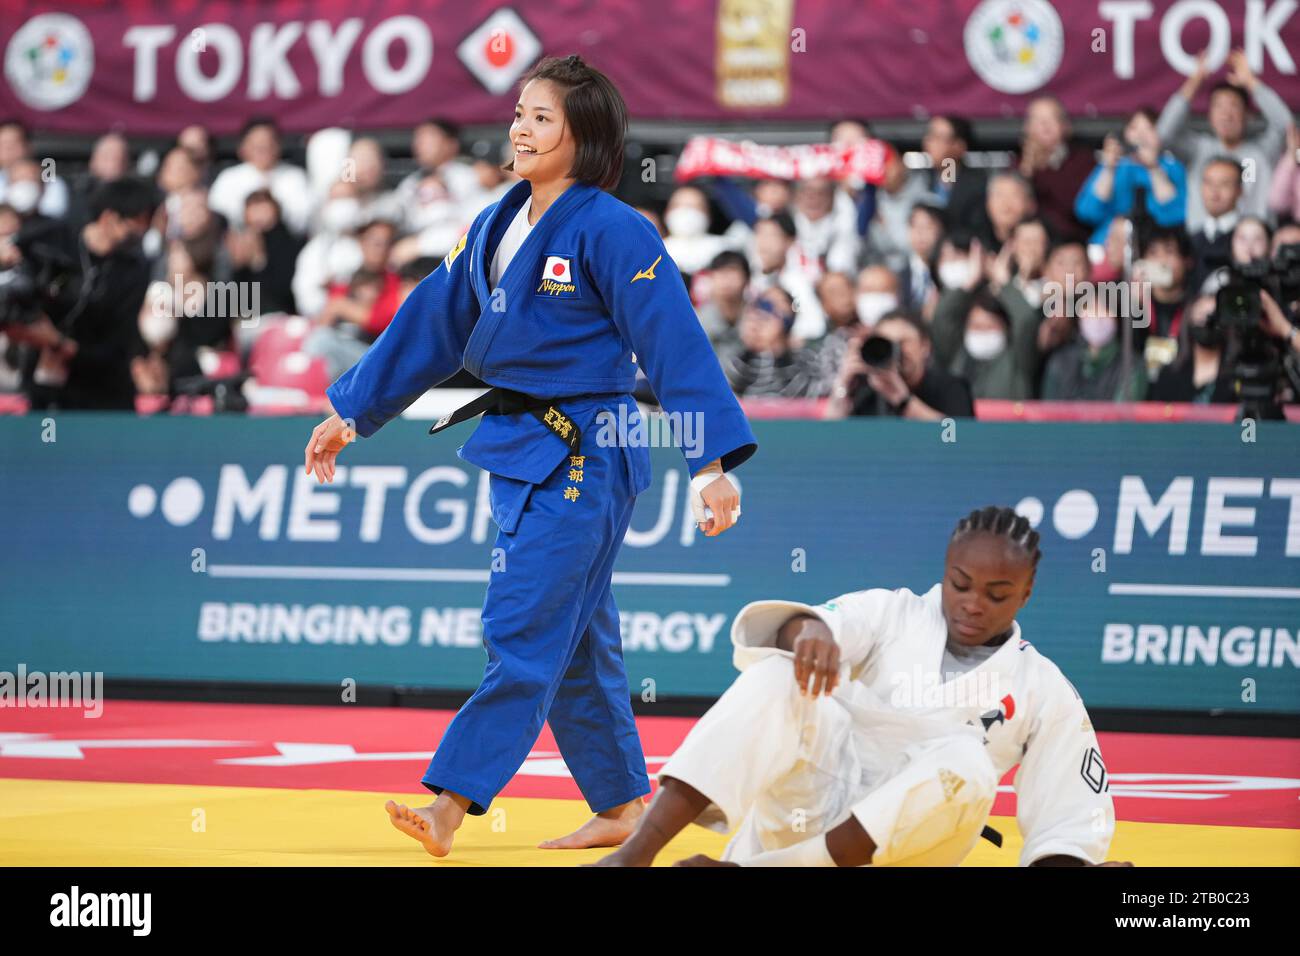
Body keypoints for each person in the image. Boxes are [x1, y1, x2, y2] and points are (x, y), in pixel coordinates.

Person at [302, 54, 756, 859]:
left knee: (521, 627)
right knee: (573, 638)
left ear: (582, 139)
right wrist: (352, 410)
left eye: (541, 117)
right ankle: (620, 803)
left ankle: (450, 798)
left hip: (590, 446)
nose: (519, 127)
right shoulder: (495, 221)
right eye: (519, 112)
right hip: (522, 445)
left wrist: (711, 464)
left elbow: (675, 346)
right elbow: (428, 322)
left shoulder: (615, 229)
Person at [596, 506, 1129, 867]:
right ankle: (636, 853)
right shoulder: (892, 612)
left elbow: (1066, 826)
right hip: (805, 814)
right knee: (783, 672)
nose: (972, 603)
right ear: (944, 569)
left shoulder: (1042, 688)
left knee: (969, 765)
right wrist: (808, 633)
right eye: (960, 584)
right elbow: (799, 626)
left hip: (902, 852)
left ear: (1027, 593)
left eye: (996, 594)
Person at [1156, 49, 1291, 231]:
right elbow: (1162, 135)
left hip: (1254, 245)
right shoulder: (1198, 149)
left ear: (1248, 115)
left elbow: (1286, 127)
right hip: (1202, 244)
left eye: (1234, 106)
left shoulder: (1263, 150)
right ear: (1209, 116)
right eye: (1219, 107)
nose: (1226, 114)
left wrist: (1251, 82)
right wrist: (1195, 81)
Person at [826, 310, 974, 419]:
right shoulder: (867, 389)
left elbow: (956, 438)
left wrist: (903, 401)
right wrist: (843, 383)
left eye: (903, 342)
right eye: (887, 344)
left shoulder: (950, 386)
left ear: (924, 347)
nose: (896, 351)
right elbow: (830, 439)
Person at [1074, 107, 1187, 247]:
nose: (1141, 135)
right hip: (1109, 245)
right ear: (1126, 134)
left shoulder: (1172, 167)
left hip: (1158, 247)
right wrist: (1109, 170)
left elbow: (1177, 214)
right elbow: (1088, 213)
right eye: (1134, 128)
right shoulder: (1115, 165)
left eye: (1149, 128)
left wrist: (1153, 168)